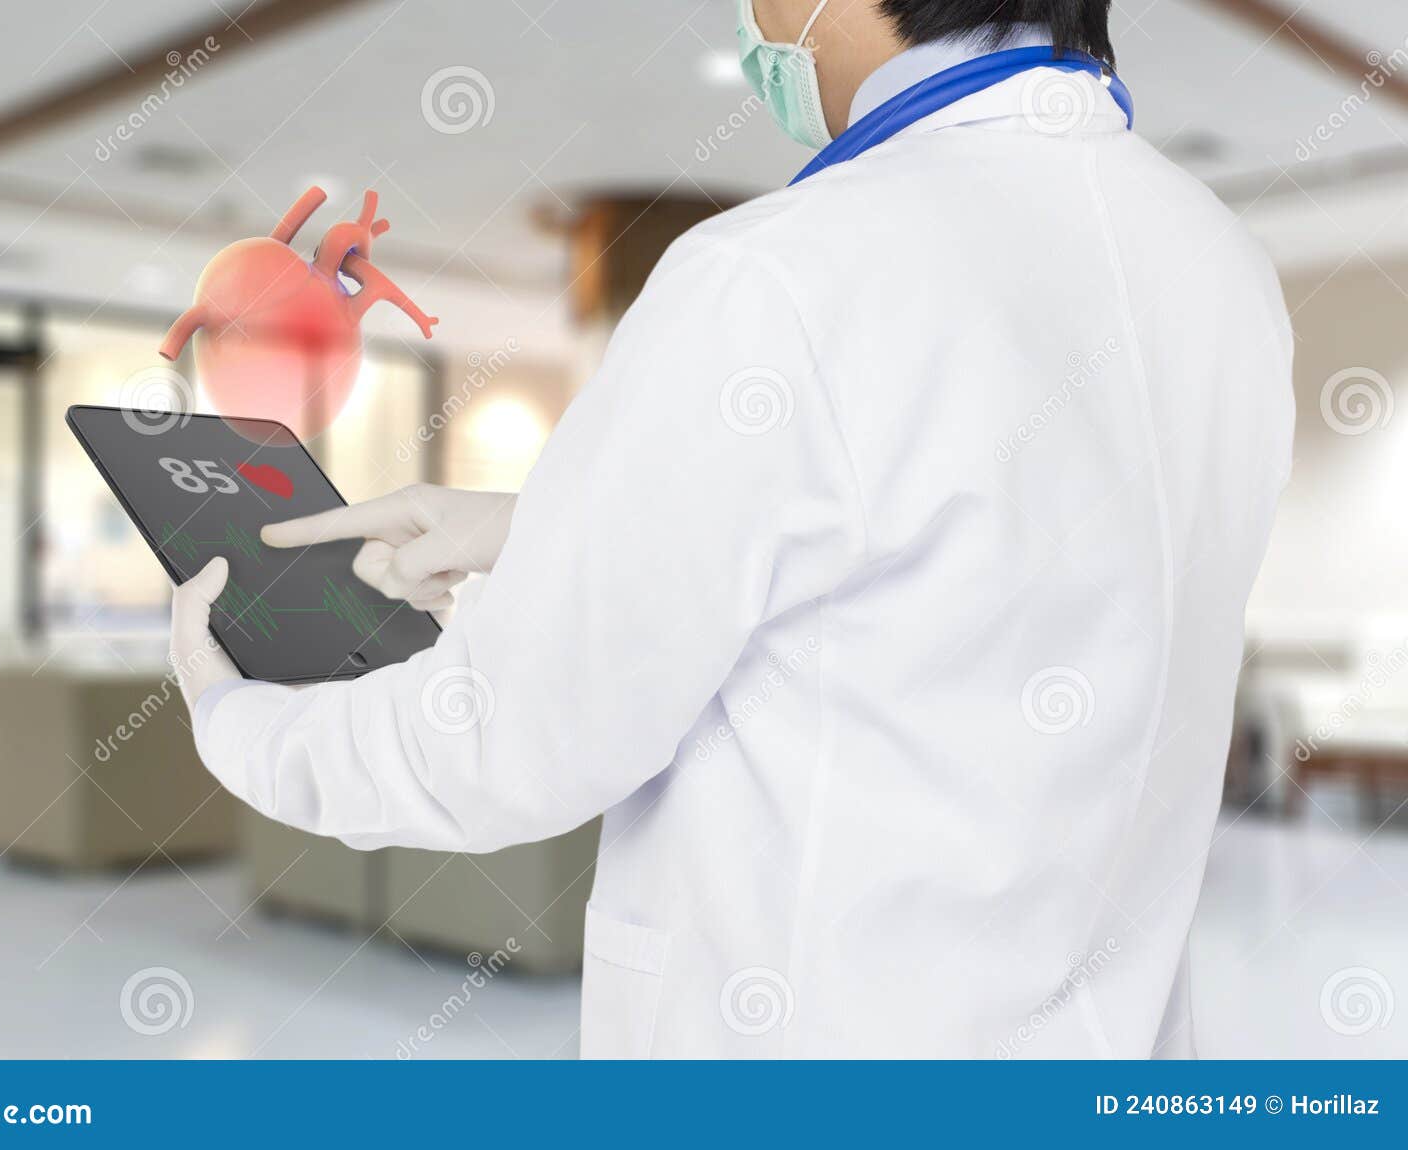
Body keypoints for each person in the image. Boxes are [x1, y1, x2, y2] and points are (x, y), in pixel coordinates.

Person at [171, 0, 1293, 1058]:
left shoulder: (780, 270)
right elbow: (1017, 569)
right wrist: (558, 530)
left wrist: (245, 723)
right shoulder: (1218, 262)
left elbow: (510, 743)